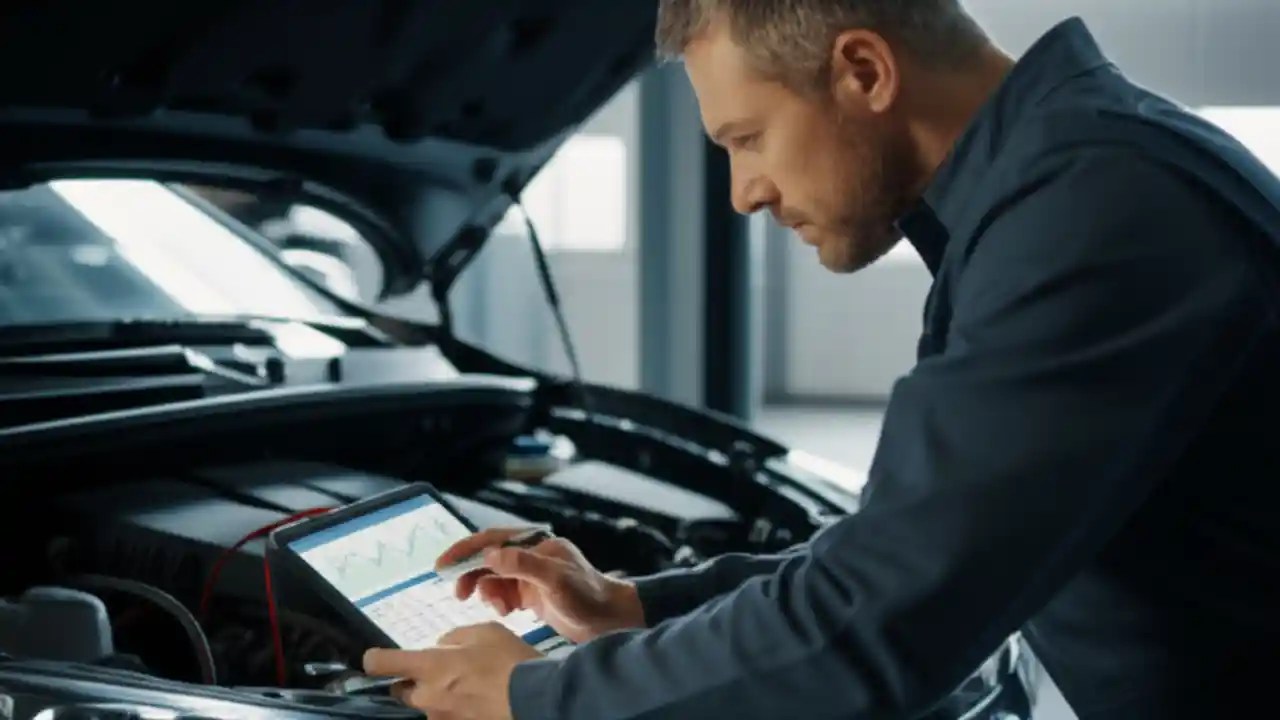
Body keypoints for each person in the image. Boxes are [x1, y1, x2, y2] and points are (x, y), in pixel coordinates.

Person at [363, 2, 1280, 719]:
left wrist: (536, 697)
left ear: (863, 70)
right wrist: (635, 607)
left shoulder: (1092, 215)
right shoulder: (1062, 180)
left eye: (747, 138)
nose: (743, 193)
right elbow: (905, 548)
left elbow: (881, 618)